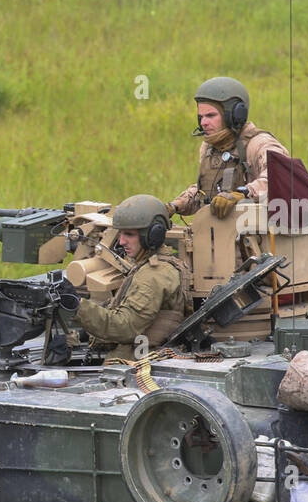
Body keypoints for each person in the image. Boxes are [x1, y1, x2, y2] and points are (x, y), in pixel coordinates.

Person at [71, 195, 190, 361]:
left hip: (135, 364)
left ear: (152, 235)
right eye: (121, 234)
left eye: (129, 234)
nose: (121, 241)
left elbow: (125, 327)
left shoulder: (153, 275)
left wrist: (76, 305)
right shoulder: (150, 266)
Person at [167, 77, 289, 220]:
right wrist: (176, 205)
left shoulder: (259, 143)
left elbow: (280, 176)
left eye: (211, 115)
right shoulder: (209, 147)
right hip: (217, 229)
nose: (204, 123)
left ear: (235, 115)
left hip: (258, 230)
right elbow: (204, 192)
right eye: (201, 117)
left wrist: (243, 193)